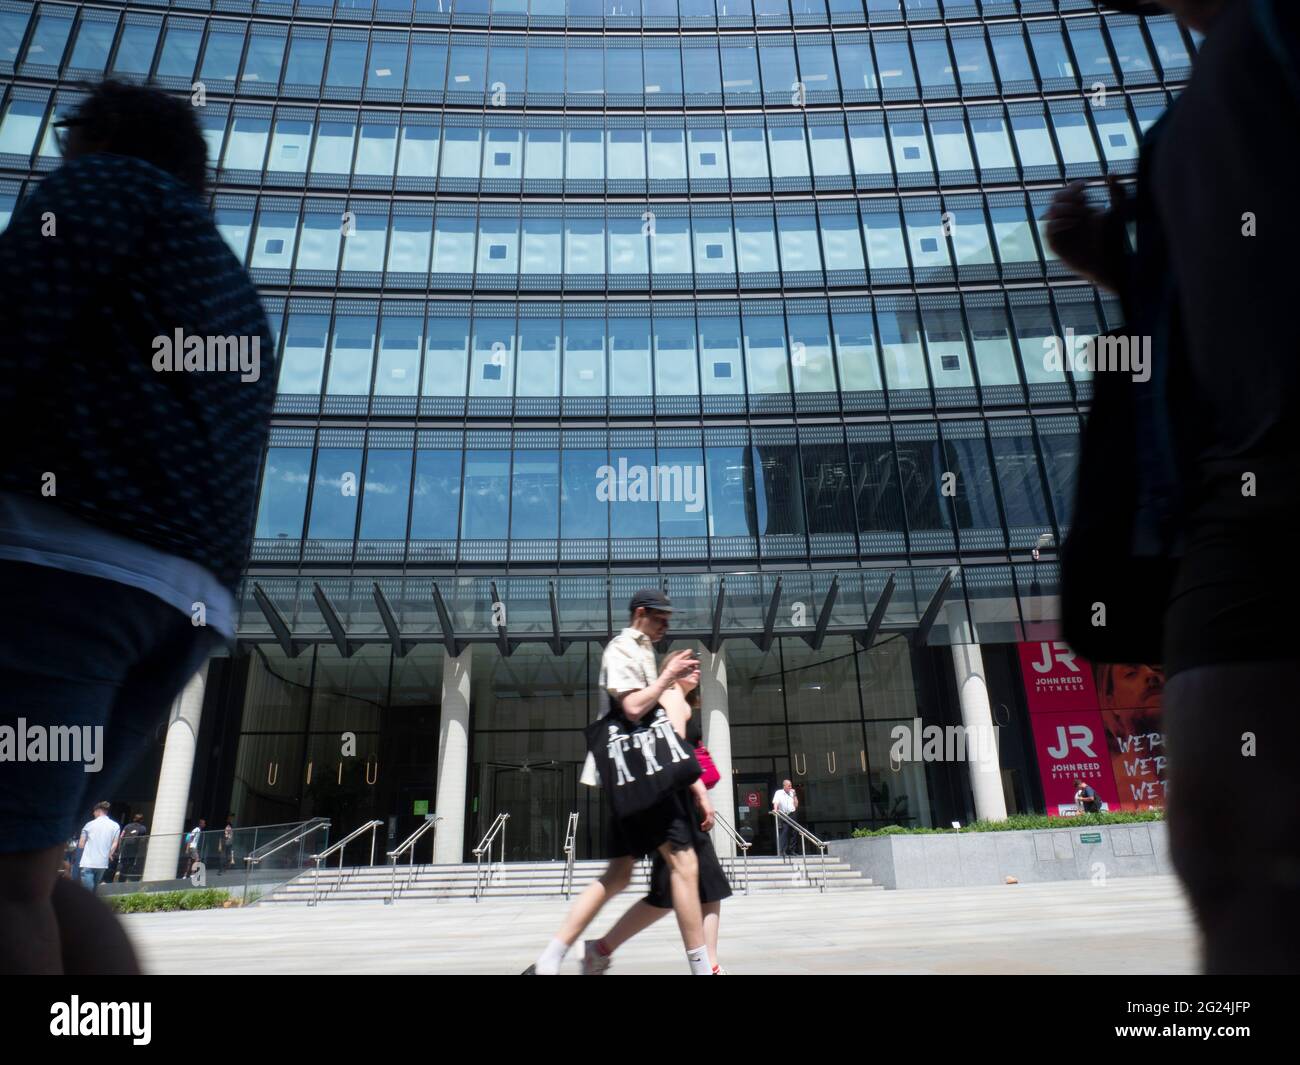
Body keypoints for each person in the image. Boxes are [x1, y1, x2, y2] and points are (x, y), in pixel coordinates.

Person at [0, 79, 276, 975]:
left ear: (103, 140)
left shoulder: (104, 189)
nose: (58, 154)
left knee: (9, 881)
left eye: (68, 136)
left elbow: (11, 325)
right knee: (35, 875)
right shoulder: (235, 286)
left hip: (59, 560)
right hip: (183, 603)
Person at [1048, 0, 1300, 972]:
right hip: (1227, 505)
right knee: (1228, 848)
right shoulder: (1170, 136)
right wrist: (1119, 272)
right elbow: (1184, 331)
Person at [524, 589, 707, 975]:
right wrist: (667, 678)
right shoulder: (622, 647)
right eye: (661, 618)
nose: (666, 625)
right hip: (640, 777)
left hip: (628, 780)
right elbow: (634, 707)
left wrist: (665, 676)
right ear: (641, 612)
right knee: (685, 864)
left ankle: (549, 959)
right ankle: (704, 968)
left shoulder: (641, 649)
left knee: (619, 874)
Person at [584, 676, 733, 975]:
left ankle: (710, 965)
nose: (696, 671)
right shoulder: (670, 698)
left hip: (680, 808)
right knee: (672, 894)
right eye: (688, 665)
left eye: (696, 666)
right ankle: (600, 949)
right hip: (675, 810)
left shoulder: (679, 702)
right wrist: (701, 792)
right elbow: (673, 754)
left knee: (699, 889)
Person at [77, 803, 121, 895]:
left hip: (88, 862)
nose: (93, 814)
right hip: (102, 863)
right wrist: (109, 854)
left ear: (98, 811)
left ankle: (86, 907)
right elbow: (115, 843)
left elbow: (81, 844)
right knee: (93, 891)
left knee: (87, 892)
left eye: (94, 812)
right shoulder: (115, 825)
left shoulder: (89, 825)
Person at [772, 780, 799, 857]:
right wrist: (775, 809)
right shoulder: (779, 792)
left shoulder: (792, 793)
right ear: (784, 786)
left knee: (794, 832)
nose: (790, 787)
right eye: (789, 786)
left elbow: (796, 805)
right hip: (784, 814)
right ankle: (783, 851)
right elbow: (776, 802)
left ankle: (792, 850)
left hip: (792, 813)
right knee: (785, 832)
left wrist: (794, 795)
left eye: (791, 785)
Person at [118, 815, 149, 882]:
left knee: (123, 864)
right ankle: (127, 879)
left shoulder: (127, 826)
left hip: (125, 848)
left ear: (134, 819)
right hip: (134, 849)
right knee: (130, 865)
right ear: (141, 820)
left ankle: (121, 879)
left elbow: (121, 836)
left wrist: (120, 846)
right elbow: (143, 840)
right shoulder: (142, 828)